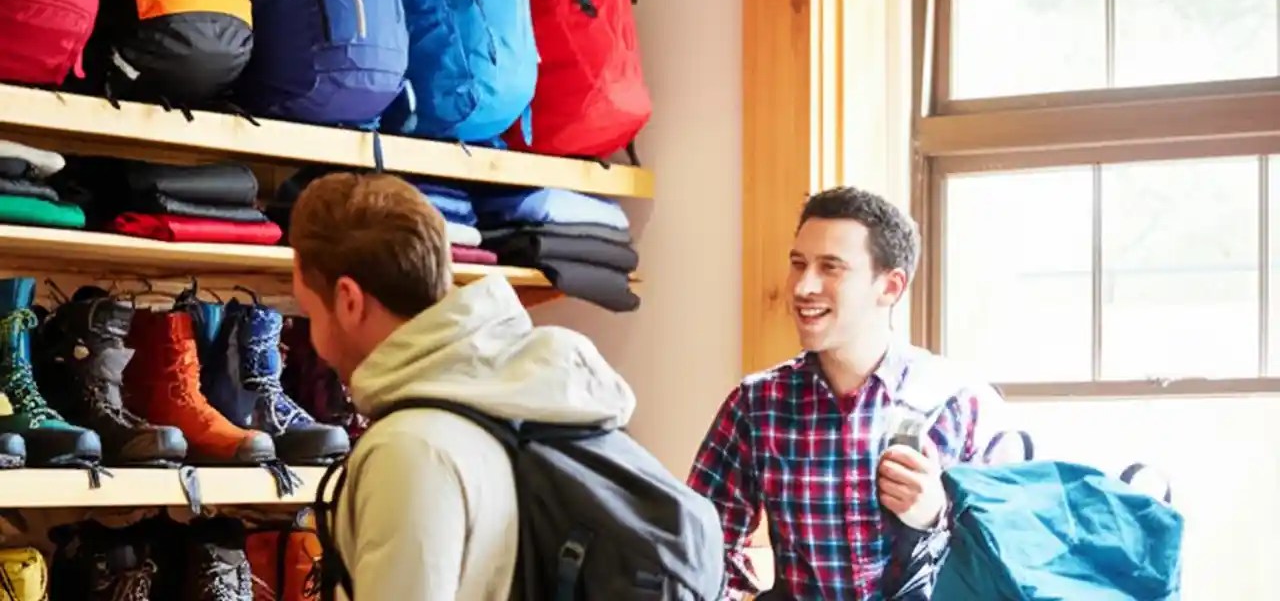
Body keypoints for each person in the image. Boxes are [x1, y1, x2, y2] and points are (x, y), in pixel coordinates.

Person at [288, 172, 637, 600]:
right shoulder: (545, 400)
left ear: (348, 300)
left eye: (308, 312)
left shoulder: (411, 448)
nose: (312, 338)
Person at [688, 186, 1012, 600]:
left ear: (891, 287)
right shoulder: (757, 405)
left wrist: (936, 515)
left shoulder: (960, 403)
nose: (804, 286)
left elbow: (1010, 565)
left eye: (831, 267)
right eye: (798, 264)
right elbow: (700, 551)